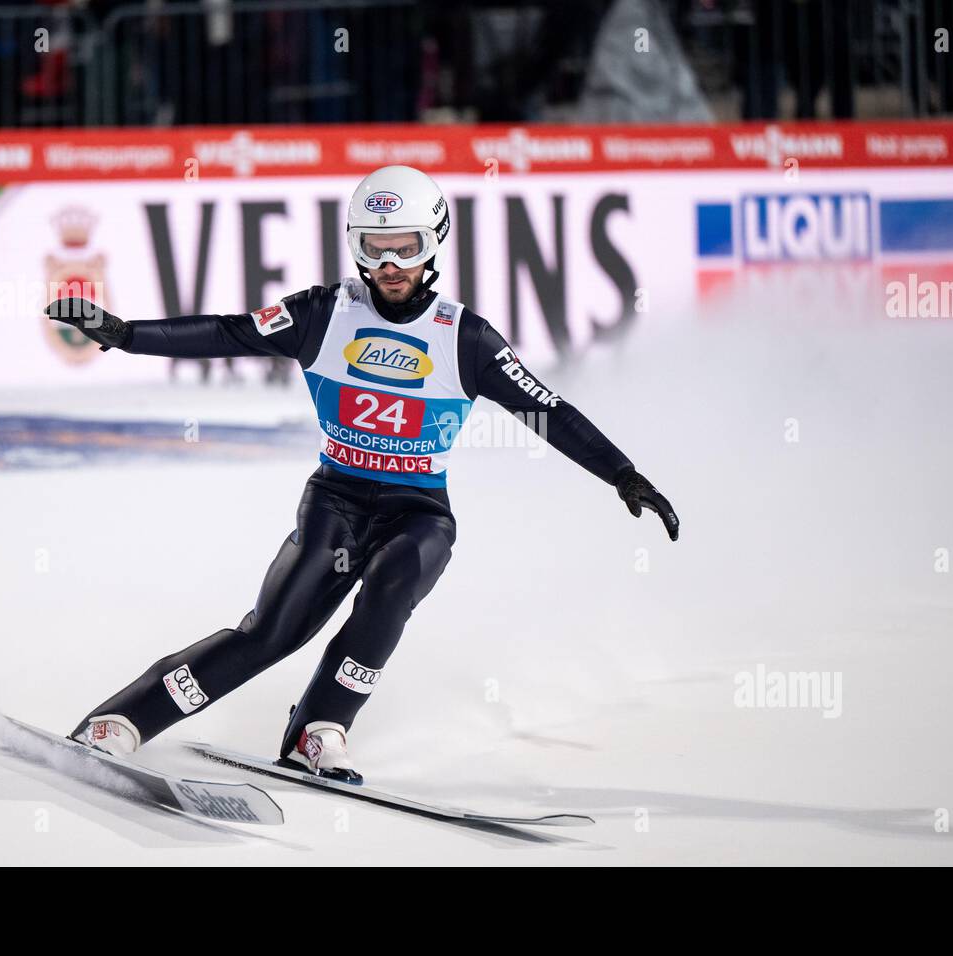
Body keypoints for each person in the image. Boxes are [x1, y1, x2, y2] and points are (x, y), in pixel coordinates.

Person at [44, 165, 678, 783]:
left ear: (433, 244)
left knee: (394, 582)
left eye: (406, 249)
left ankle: (319, 728)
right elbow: (228, 332)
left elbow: (548, 411)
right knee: (271, 634)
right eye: (376, 250)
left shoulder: (467, 340)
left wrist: (624, 475)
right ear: (356, 248)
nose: (391, 266)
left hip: (419, 511)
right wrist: (127, 334)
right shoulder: (323, 313)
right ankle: (124, 719)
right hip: (335, 500)